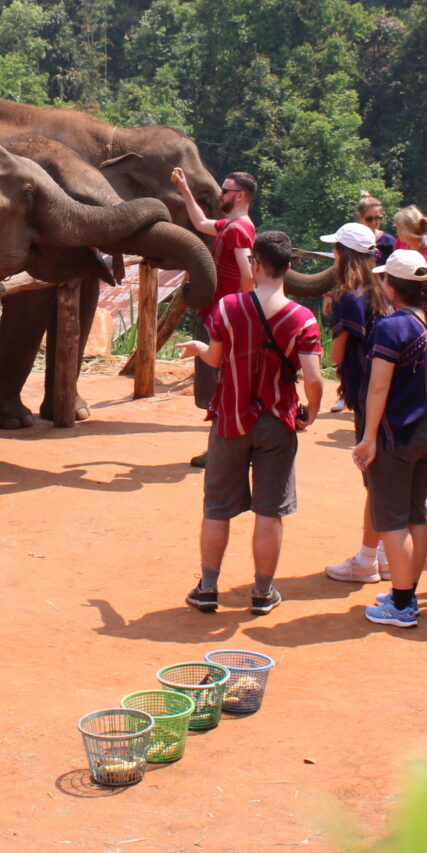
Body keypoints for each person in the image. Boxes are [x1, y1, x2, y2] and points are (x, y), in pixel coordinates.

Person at [180, 230, 324, 617]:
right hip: (277, 421)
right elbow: (313, 378)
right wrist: (312, 410)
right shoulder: (302, 318)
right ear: (288, 267)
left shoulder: (228, 308)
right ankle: (261, 593)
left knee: (217, 508)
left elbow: (215, 359)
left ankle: (208, 588)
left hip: (230, 418)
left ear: (256, 265)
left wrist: (199, 348)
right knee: (269, 511)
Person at [350, 249, 427, 628]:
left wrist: (368, 438)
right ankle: (406, 592)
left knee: (391, 519)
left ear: (392, 286)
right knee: (414, 514)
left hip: (398, 434)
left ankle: (403, 604)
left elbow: (379, 387)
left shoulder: (392, 327)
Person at [321, 222, 392, 584]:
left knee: (374, 481)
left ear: (342, 255)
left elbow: (336, 354)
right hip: (386, 390)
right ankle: (384, 555)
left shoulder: (350, 296)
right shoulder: (383, 289)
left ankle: (367, 560)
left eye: (335, 249)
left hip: (367, 393)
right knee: (386, 479)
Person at [172, 167, 258, 466]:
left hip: (223, 318)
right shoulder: (230, 225)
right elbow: (200, 223)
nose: (220, 194)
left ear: (240, 196)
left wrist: (242, 312)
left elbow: (248, 276)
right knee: (220, 384)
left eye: (225, 190)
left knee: (220, 385)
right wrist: (184, 189)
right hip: (217, 315)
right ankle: (226, 449)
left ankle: (221, 451)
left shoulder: (238, 230)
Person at [392, 204, 427, 306]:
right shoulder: (402, 243)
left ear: (405, 231)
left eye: (397, 228)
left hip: (422, 310)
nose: (397, 232)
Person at [356, 190, 397, 262]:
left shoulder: (389, 242)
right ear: (359, 216)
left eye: (377, 218)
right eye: (369, 219)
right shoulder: (352, 240)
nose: (374, 222)